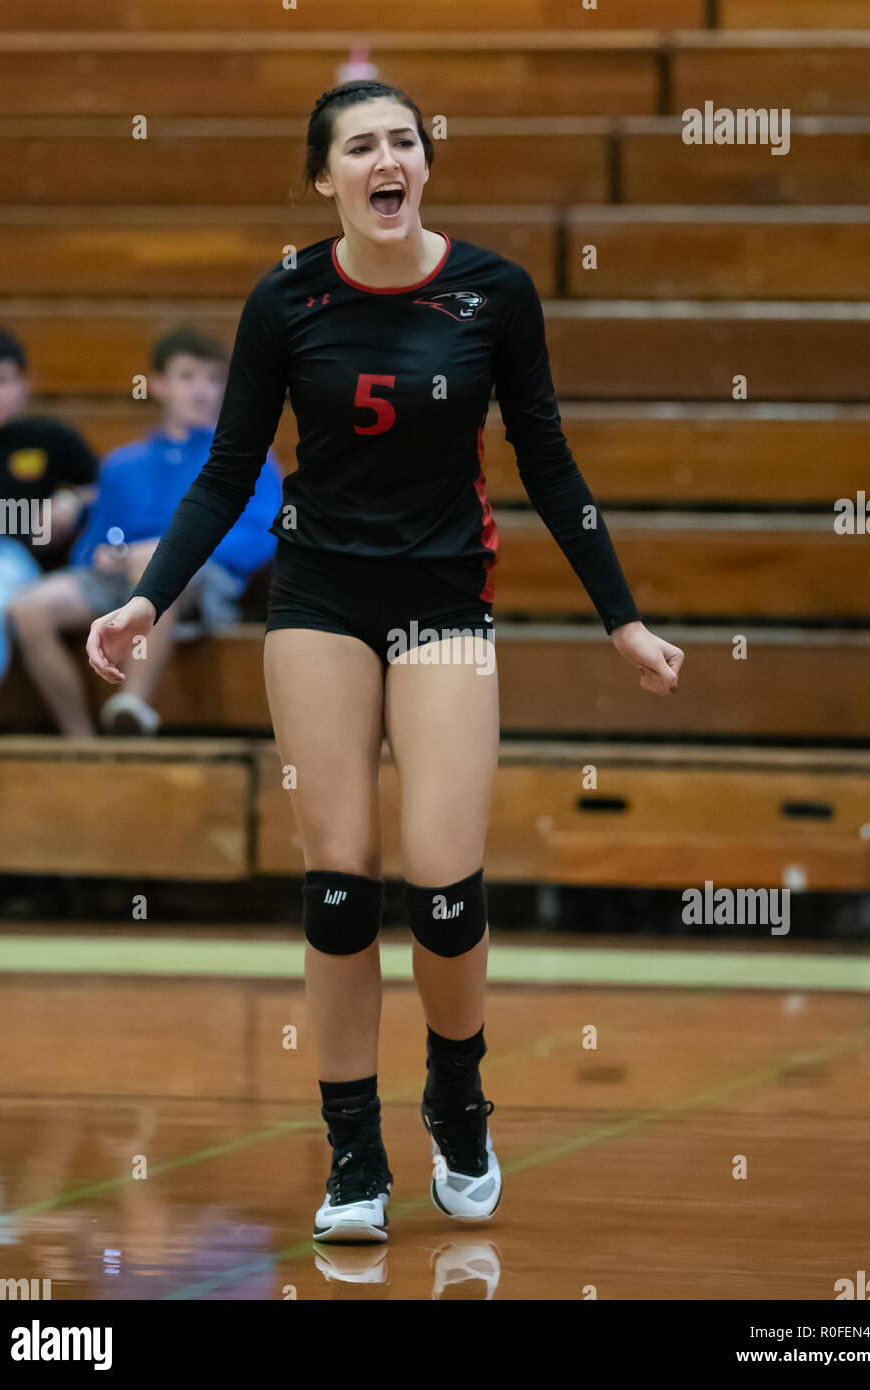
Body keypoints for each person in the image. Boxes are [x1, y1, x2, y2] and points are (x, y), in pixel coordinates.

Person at [86, 80, 685, 1242]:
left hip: (444, 602)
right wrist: (147, 601)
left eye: (402, 139)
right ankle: (354, 1152)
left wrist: (623, 617)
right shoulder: (287, 298)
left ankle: (457, 1097)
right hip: (320, 598)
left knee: (446, 891)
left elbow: (551, 465)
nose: (385, 157)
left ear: (424, 162)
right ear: (327, 179)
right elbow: (226, 473)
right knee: (340, 883)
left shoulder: (495, 293)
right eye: (360, 145)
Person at [8, 327, 282, 736]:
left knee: (154, 558)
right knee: (26, 609)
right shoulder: (123, 464)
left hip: (206, 580)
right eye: (188, 377)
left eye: (213, 379)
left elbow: (263, 535)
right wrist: (101, 554)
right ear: (158, 385)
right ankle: (79, 741)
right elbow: (92, 545)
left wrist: (172, 551)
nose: (202, 390)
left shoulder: (247, 458)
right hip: (120, 577)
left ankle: (132, 704)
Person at [0, 328, 98, 735]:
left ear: (25, 384)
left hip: (9, 553)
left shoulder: (50, 439)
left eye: (2, 380)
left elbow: (104, 486)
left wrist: (73, 501)